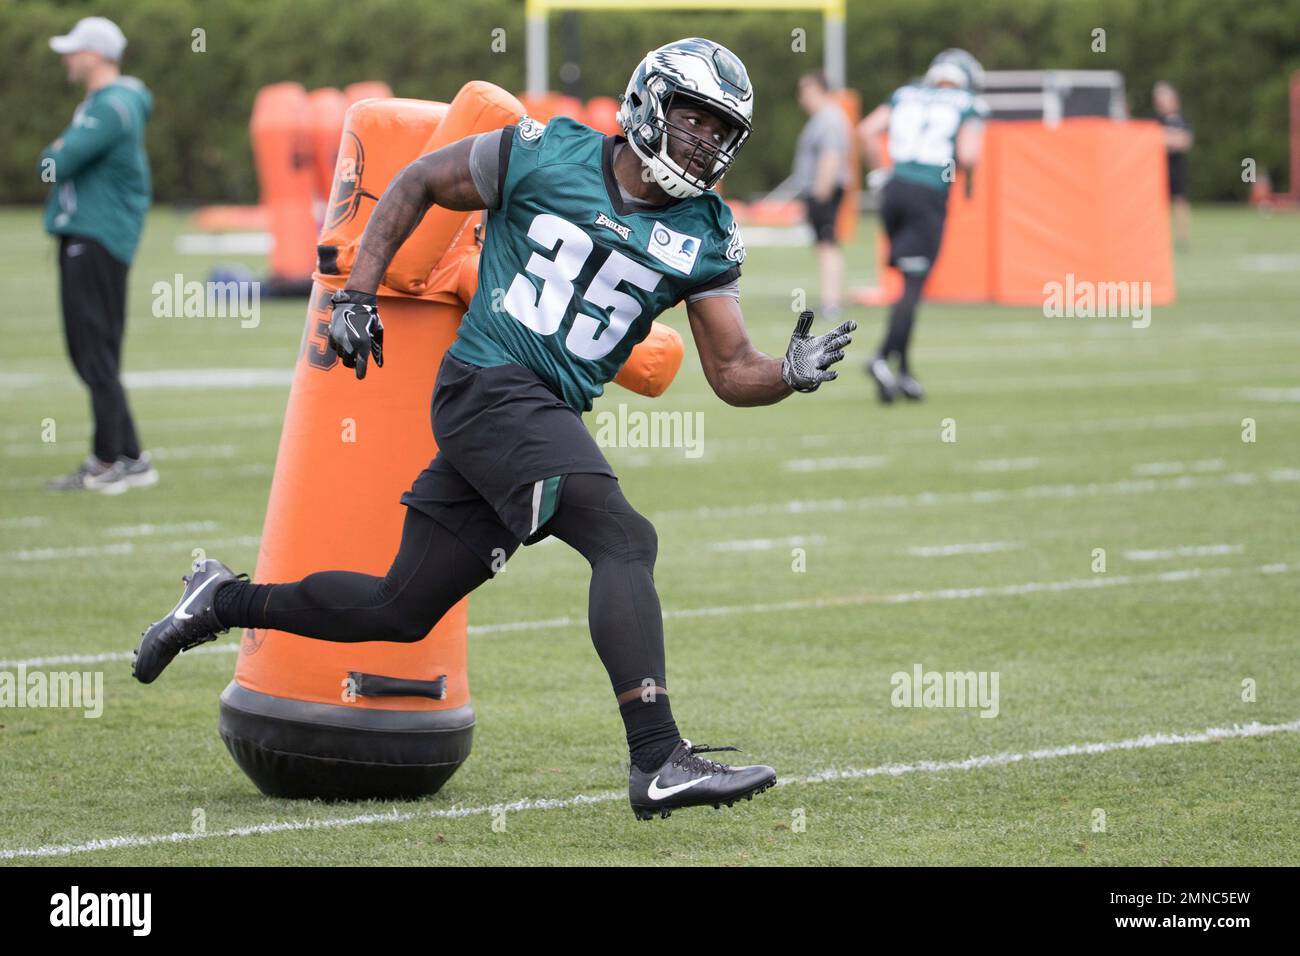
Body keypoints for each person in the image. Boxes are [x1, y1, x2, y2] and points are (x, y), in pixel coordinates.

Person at [131, 39, 856, 820]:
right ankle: (657, 757)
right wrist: (356, 294)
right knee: (623, 538)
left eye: (722, 132)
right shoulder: (548, 152)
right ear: (650, 102)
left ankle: (217, 600)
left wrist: (789, 372)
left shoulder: (707, 229)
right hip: (490, 386)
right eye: (694, 118)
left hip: (539, 412)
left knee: (398, 610)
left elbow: (730, 368)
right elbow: (417, 181)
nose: (706, 142)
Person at [40, 16, 157, 493]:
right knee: (95, 351)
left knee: (93, 351)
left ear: (95, 54)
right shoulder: (109, 103)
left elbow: (52, 165)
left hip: (95, 236)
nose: (68, 58)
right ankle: (129, 454)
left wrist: (55, 149)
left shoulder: (111, 106)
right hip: (94, 237)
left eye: (74, 50)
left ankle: (107, 460)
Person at [857, 49, 986, 403]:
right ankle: (883, 359)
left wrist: (879, 173)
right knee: (913, 285)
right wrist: (968, 179)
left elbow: (867, 130)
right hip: (927, 194)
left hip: (894, 190)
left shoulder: (906, 93)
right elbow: (971, 154)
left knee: (906, 284)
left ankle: (904, 373)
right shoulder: (967, 103)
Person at [792, 72, 851, 320]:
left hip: (823, 189)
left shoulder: (829, 119)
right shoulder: (823, 118)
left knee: (828, 244)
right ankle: (830, 298)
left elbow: (831, 155)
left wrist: (820, 190)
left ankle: (832, 300)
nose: (802, 98)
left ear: (819, 90)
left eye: (805, 91)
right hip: (819, 189)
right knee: (823, 245)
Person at [1153, 81, 1193, 249]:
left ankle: (1182, 239)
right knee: (1157, 204)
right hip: (1156, 168)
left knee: (1180, 201)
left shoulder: (1182, 119)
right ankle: (1158, 238)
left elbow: (1184, 142)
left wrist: (1166, 139)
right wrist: (1169, 139)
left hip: (1176, 167)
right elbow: (1153, 141)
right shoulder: (1154, 120)